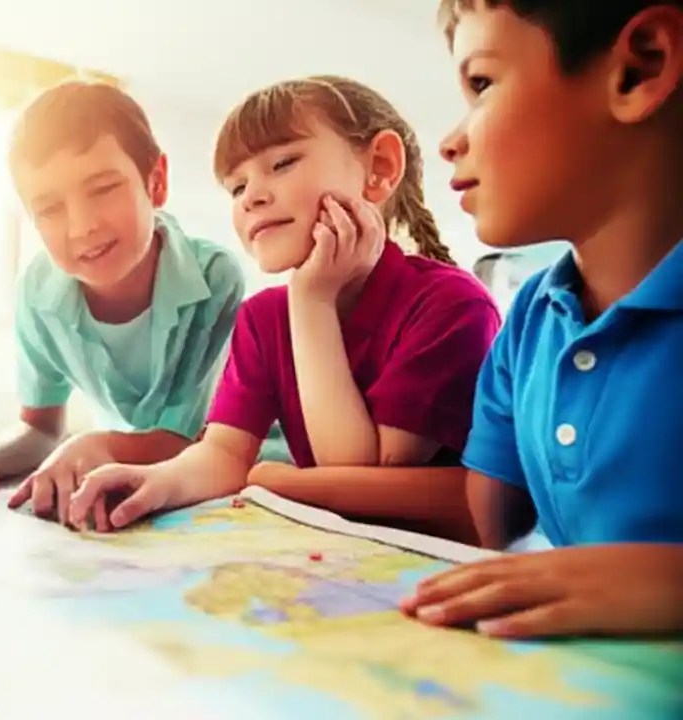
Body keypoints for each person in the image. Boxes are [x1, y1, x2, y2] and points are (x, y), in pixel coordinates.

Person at [69, 76, 499, 541]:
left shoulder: (451, 304)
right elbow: (224, 453)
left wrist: (312, 301)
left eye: (283, 162)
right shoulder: (263, 318)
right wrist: (156, 481)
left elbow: (358, 472)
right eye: (236, 187)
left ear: (379, 168)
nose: (252, 195)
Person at [402, 0, 683, 639]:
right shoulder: (528, 319)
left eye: (481, 84)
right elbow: (490, 525)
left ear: (639, 71)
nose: (449, 139)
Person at [0, 80, 245, 526]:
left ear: (156, 182)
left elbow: (191, 440)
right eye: (49, 209)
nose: (82, 227)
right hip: (133, 480)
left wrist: (96, 444)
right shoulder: (36, 288)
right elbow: (41, 429)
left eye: (103, 188)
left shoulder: (214, 277)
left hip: (231, 478)